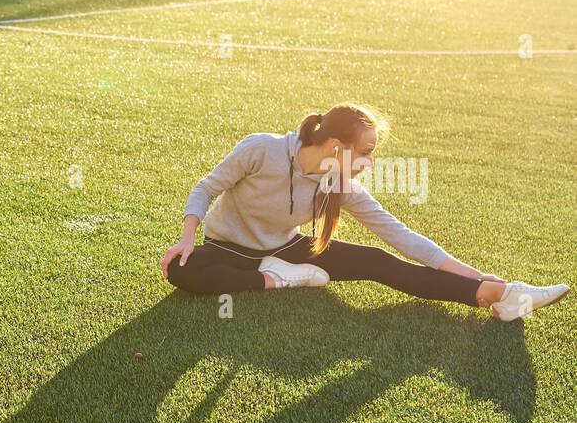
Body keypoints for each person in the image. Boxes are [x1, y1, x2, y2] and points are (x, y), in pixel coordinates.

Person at [162, 103, 569, 321]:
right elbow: (206, 187)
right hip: (227, 247)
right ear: (337, 146)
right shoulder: (261, 149)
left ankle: (500, 294)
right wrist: (186, 240)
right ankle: (274, 280)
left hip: (287, 247)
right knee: (180, 271)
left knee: (378, 260)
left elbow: (399, 234)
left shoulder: (339, 184)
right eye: (367, 152)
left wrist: (475, 274)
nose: (370, 163)